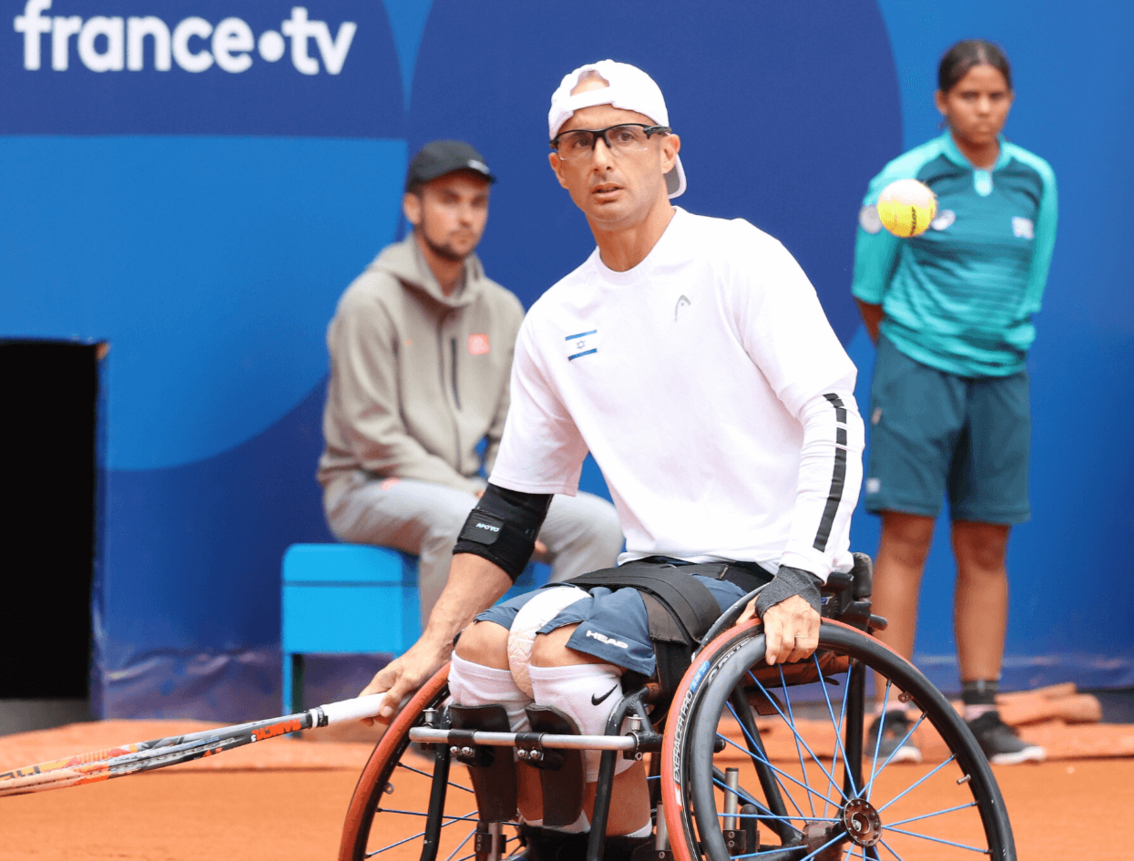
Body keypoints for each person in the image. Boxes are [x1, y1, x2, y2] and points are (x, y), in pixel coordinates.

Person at [359, 61, 864, 857]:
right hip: (654, 572)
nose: (603, 157)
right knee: (483, 655)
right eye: (581, 142)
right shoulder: (557, 318)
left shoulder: (739, 258)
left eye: (624, 135)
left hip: (765, 566)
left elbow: (832, 414)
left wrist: (803, 574)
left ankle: (621, 847)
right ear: (557, 169)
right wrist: (432, 644)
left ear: (666, 151)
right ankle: (547, 839)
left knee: (567, 659)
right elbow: (510, 513)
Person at [852, 40, 1057, 765]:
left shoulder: (1035, 180)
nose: (983, 108)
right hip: (917, 372)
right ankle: (888, 712)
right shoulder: (905, 180)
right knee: (906, 537)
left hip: (1002, 376)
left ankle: (982, 708)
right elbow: (869, 291)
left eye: (995, 95)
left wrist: (994, 346)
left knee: (987, 543)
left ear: (1008, 100)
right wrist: (923, 353)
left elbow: (1030, 283)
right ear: (942, 102)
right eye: (968, 96)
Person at [318, 139, 624, 625]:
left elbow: (514, 428)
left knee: (597, 524)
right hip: (367, 488)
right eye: (448, 199)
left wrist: (506, 496)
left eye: (477, 203)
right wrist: (473, 495)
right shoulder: (369, 302)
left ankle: (549, 671)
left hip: (472, 488)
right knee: (461, 520)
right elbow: (373, 440)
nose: (465, 216)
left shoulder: (501, 309)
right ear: (412, 207)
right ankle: (452, 690)